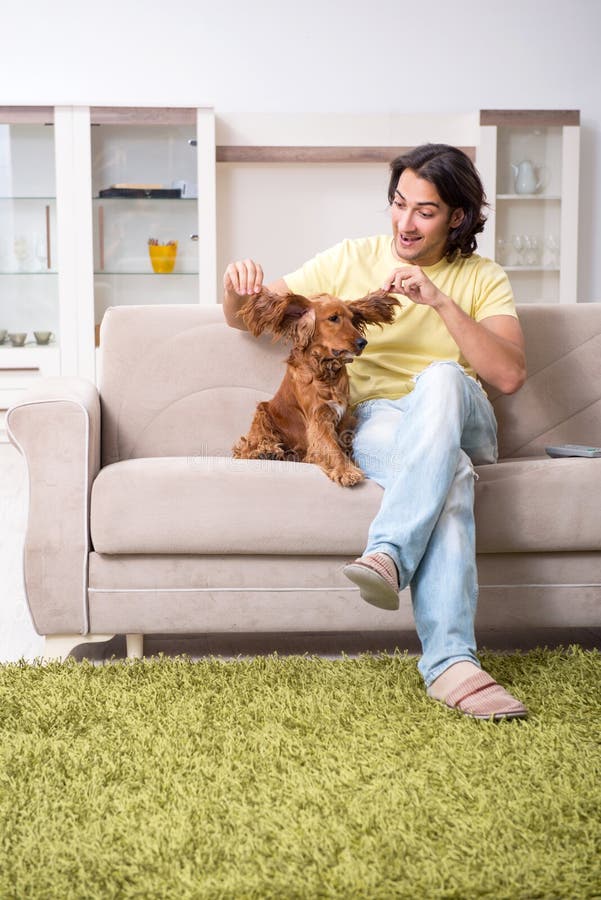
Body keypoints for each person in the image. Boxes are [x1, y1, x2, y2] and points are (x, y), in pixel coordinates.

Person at [223, 143, 528, 720]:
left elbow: (509, 376)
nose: (405, 222)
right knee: (450, 476)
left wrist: (439, 301)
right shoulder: (350, 258)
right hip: (381, 420)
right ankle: (452, 666)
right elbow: (244, 315)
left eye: (425, 211)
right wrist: (234, 286)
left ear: (457, 217)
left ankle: (388, 551)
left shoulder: (483, 277)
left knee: (441, 377)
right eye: (399, 203)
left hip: (461, 412)